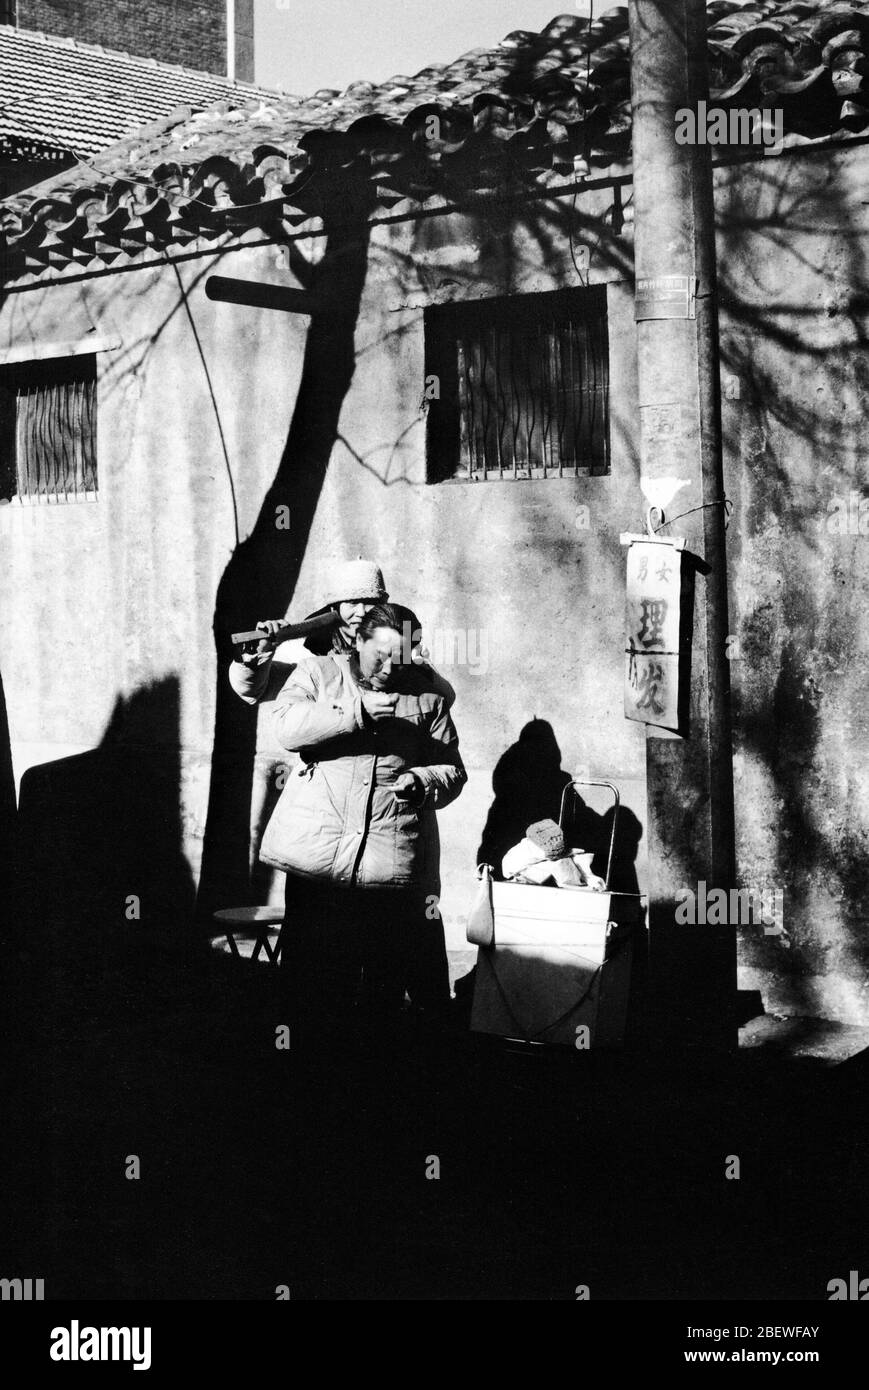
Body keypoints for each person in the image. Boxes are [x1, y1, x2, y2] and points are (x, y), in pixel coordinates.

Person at [258, 602, 466, 1049]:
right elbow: (288, 729)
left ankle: (366, 1090)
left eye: (402, 656)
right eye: (381, 654)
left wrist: (423, 779)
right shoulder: (317, 673)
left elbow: (453, 772)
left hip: (386, 872)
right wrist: (355, 713)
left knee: (379, 993)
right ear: (358, 642)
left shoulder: (428, 698)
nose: (391, 667)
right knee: (311, 983)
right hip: (318, 865)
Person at [228, 558, 455, 707]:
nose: (362, 612)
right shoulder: (307, 650)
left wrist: (419, 667)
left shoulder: (396, 646)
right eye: (352, 602)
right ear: (335, 608)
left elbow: (445, 698)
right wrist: (259, 657)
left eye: (370, 603)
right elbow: (253, 691)